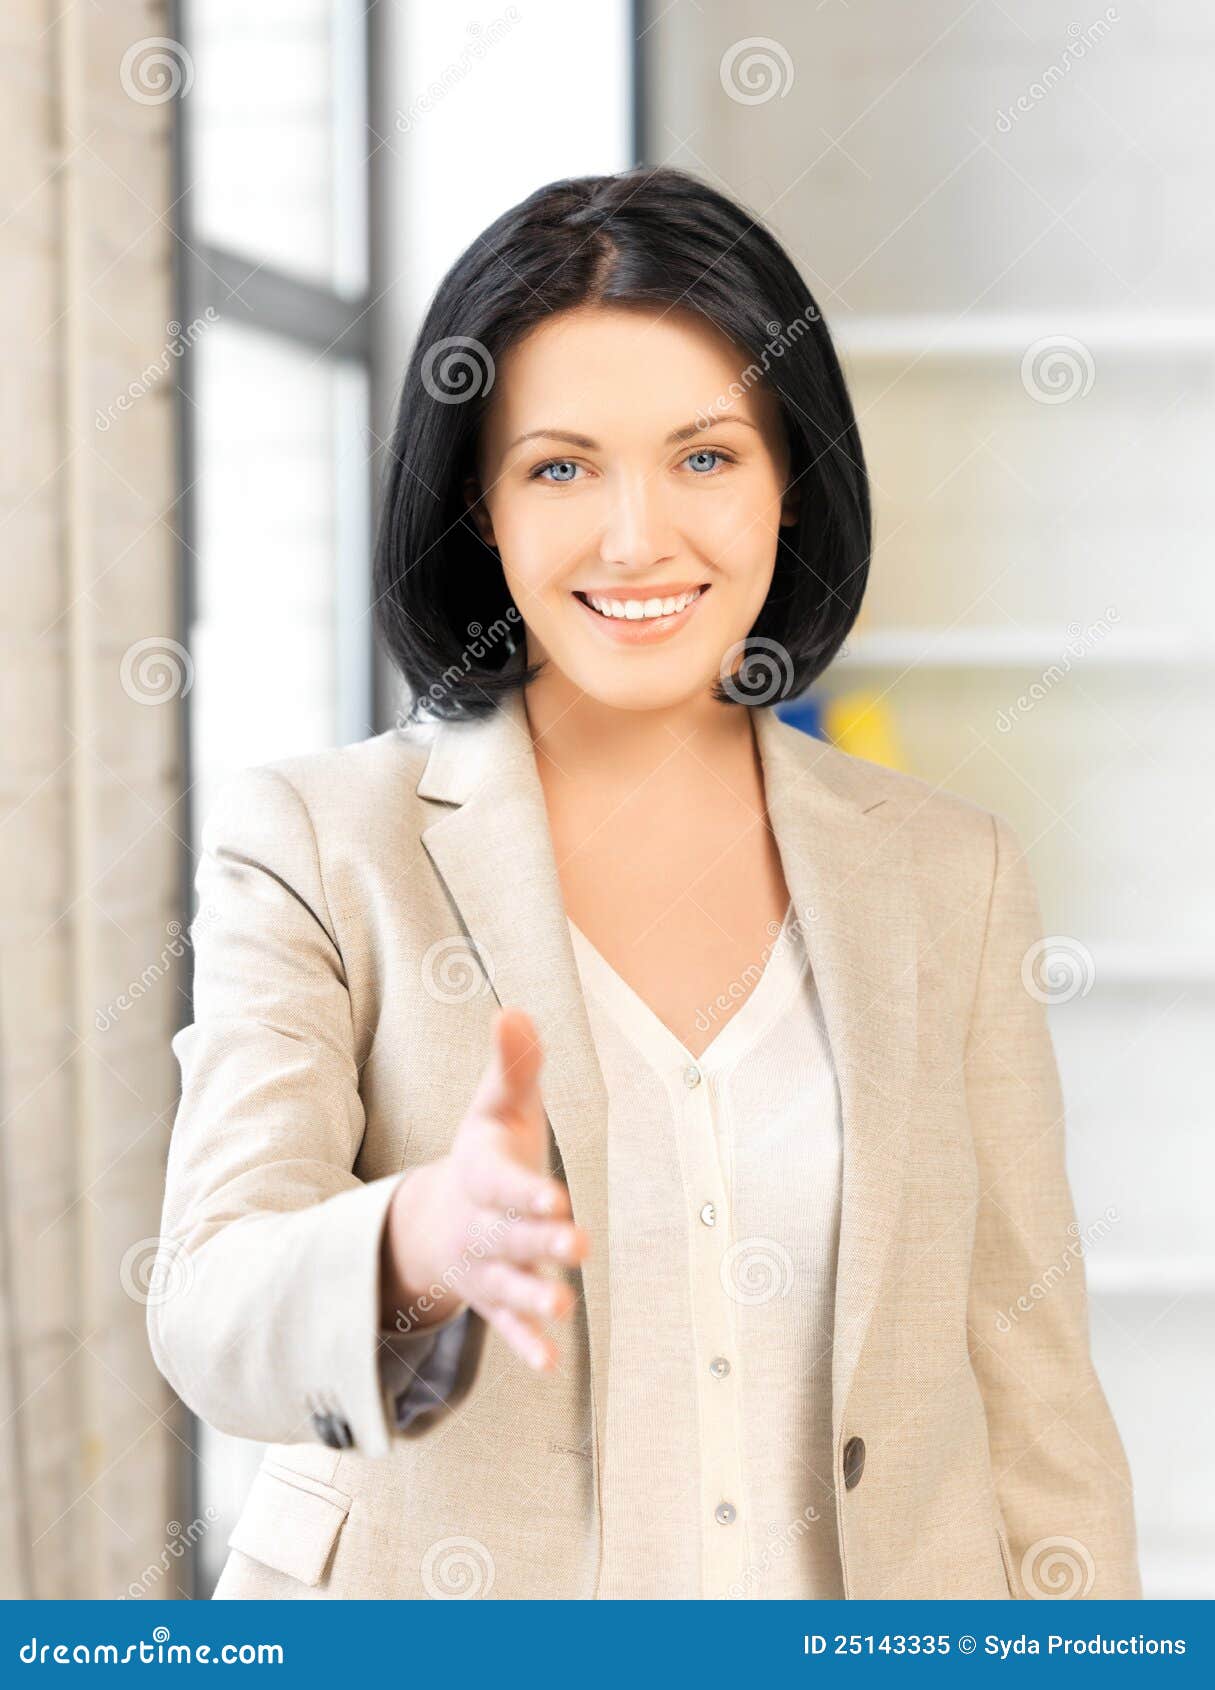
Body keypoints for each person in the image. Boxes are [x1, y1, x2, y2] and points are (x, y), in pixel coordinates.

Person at [148, 166, 1141, 1601]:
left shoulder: (951, 875)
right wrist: (420, 1237)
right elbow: (208, 1310)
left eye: (706, 457)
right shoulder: (318, 841)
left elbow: (1037, 1394)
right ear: (479, 504)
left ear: (790, 480)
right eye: (560, 465)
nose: (636, 537)